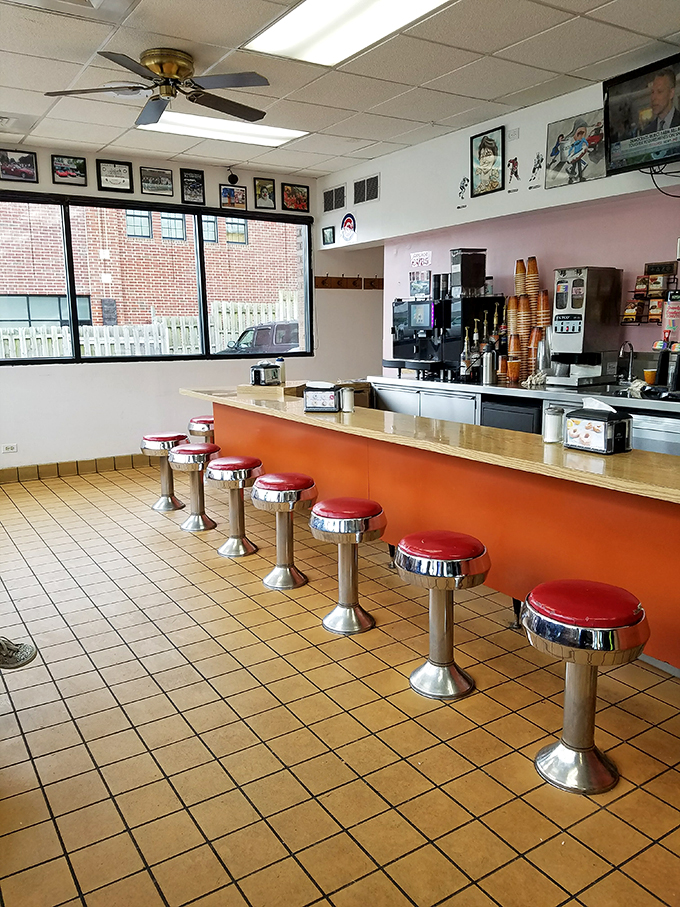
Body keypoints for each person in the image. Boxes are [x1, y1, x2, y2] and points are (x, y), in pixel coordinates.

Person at [642, 69, 680, 134]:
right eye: (652, 92)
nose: (653, 98)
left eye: (659, 92)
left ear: (671, 93)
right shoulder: (646, 133)